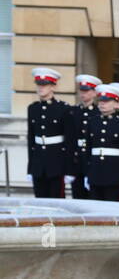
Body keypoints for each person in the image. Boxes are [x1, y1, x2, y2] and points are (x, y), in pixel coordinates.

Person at [83, 83, 119, 201]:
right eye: (100, 101)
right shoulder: (92, 122)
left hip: (114, 172)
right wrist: (86, 173)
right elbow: (87, 150)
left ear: (115, 103)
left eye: (106, 101)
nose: (102, 104)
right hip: (95, 171)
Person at [26, 68, 74, 198]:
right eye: (39, 84)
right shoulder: (33, 108)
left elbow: (69, 141)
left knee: (56, 200)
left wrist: (69, 170)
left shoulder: (64, 108)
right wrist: (30, 168)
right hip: (38, 163)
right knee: (40, 201)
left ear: (53, 86)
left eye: (45, 85)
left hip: (56, 162)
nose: (41, 88)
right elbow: (31, 139)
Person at [68, 74, 102, 200]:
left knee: (92, 196)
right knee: (77, 195)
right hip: (77, 159)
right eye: (81, 90)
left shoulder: (98, 113)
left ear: (94, 93)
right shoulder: (73, 111)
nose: (83, 94)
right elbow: (70, 138)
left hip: (92, 159)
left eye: (87, 91)